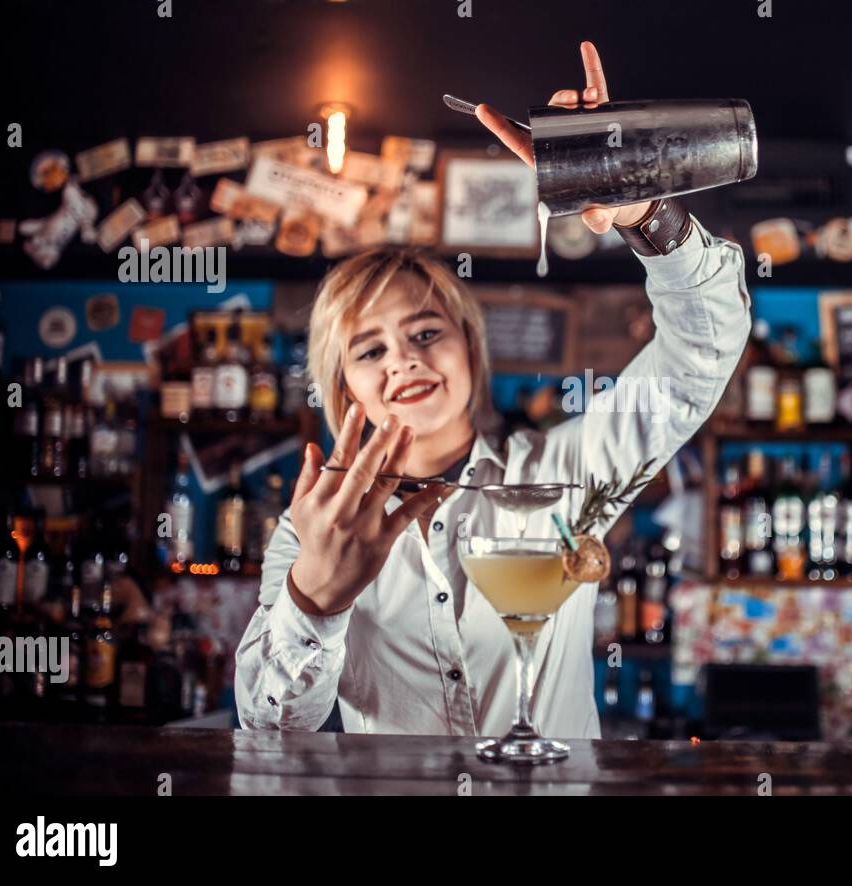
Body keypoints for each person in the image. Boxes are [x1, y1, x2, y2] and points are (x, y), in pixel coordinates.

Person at [235, 41, 751, 737]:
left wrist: (644, 208)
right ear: (342, 386)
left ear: (469, 348)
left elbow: (700, 357)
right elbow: (268, 730)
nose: (403, 363)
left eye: (425, 334)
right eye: (368, 349)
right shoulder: (313, 529)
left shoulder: (568, 475)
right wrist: (316, 602)